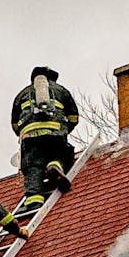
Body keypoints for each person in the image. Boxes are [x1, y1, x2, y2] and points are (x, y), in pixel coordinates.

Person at [11, 66, 80, 215]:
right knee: (62, 154)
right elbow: (74, 117)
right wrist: (64, 130)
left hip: (30, 137)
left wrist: (24, 134)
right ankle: (55, 165)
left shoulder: (22, 94)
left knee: (32, 167)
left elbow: (15, 124)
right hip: (55, 133)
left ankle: (34, 200)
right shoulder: (61, 91)